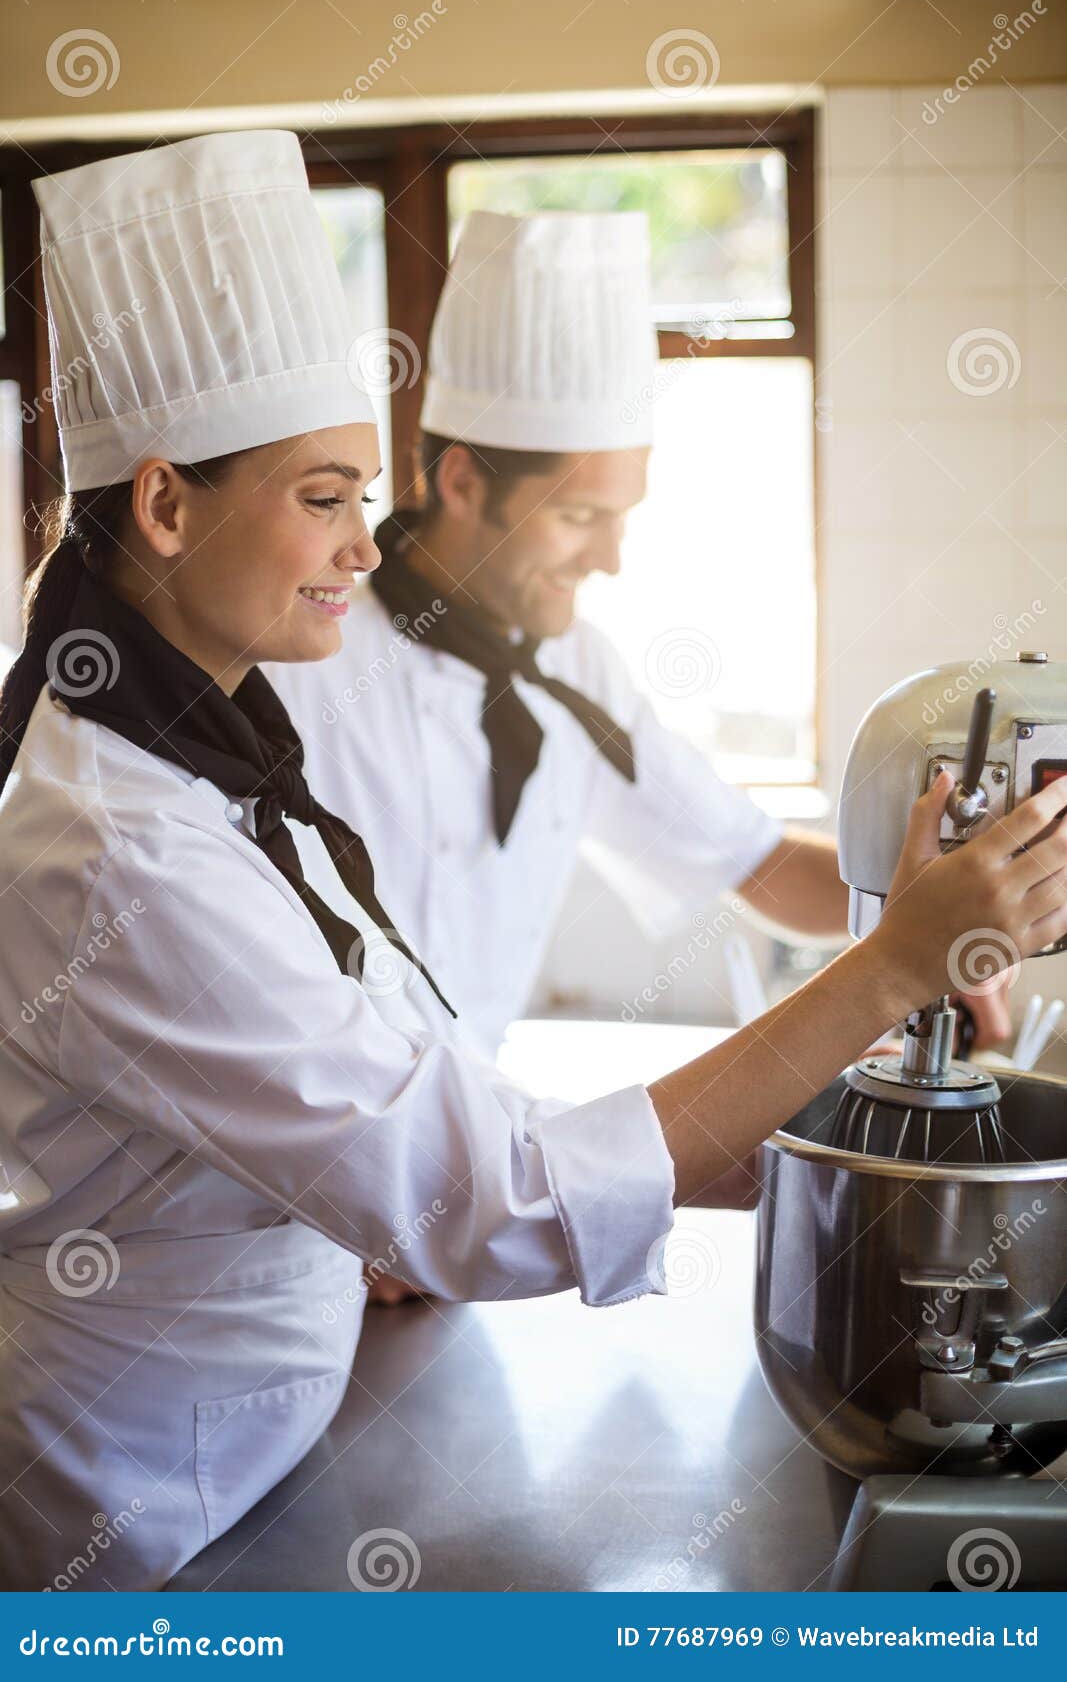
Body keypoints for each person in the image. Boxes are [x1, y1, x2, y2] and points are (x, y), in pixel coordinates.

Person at [0, 133, 1059, 1594]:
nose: (357, 550)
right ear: (168, 507)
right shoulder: (131, 836)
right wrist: (887, 966)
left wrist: (765, 1120)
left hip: (299, 1364)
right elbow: (474, 1190)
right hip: (138, 1500)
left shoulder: (202, 731)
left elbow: (407, 1071)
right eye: (321, 498)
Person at [268, 210, 1011, 1070]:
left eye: (621, 519)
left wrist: (935, 907)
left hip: (469, 1132)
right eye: (579, 516)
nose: (611, 561)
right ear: (464, 479)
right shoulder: (302, 650)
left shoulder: (577, 670)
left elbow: (755, 858)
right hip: (296, 1159)